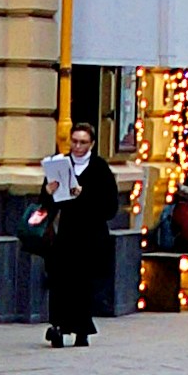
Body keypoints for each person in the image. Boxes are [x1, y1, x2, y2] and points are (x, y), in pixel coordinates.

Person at [40, 120, 120, 348]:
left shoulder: (99, 168)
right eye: (74, 141)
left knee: (83, 284)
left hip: (91, 236)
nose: (77, 147)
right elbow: (46, 202)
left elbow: (109, 207)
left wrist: (83, 194)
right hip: (65, 232)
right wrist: (48, 191)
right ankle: (58, 327)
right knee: (60, 281)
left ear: (92, 144)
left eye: (83, 142)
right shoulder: (60, 165)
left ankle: (81, 329)